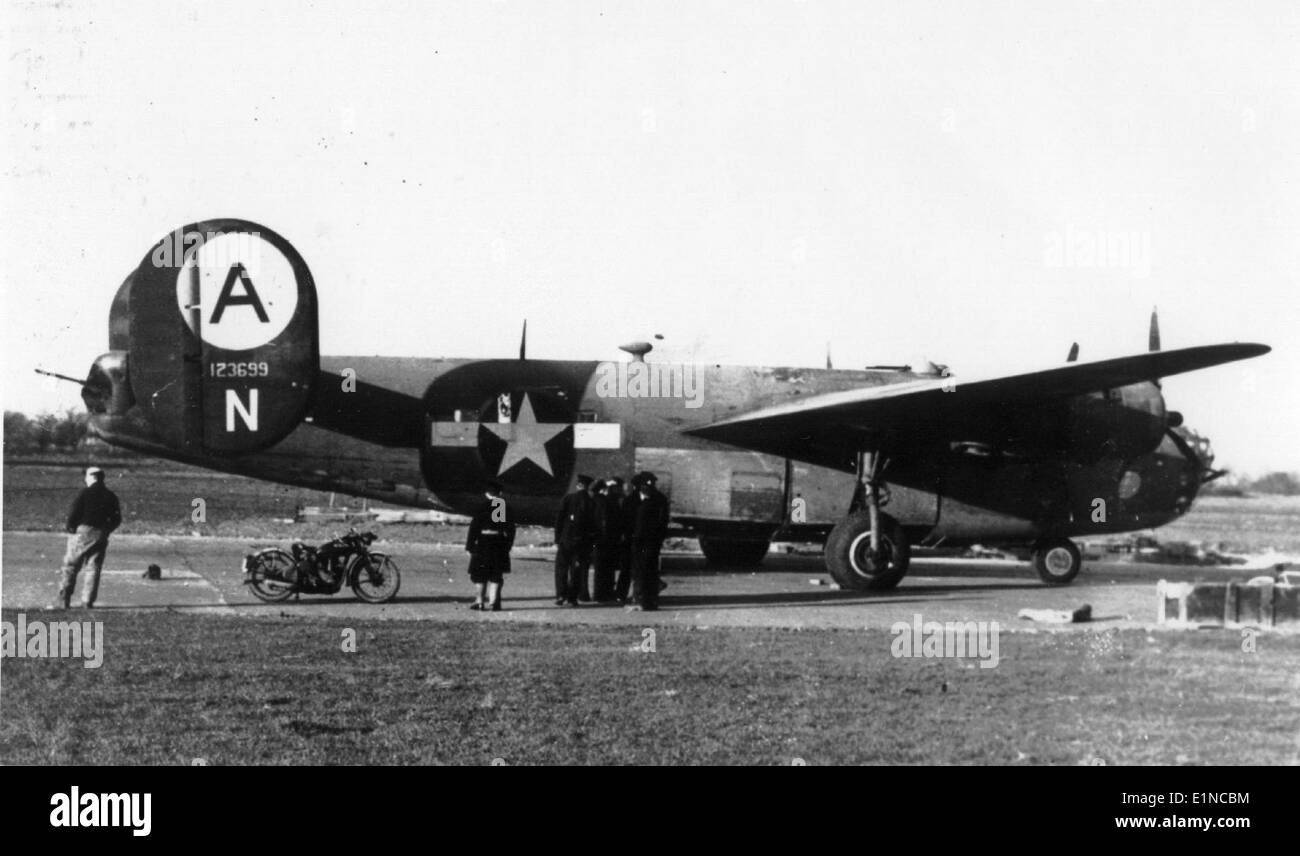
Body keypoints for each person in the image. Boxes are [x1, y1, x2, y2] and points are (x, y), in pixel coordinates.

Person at [52, 466, 122, 610]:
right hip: (101, 534)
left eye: (86, 476)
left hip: (83, 533)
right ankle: (87, 601)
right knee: (93, 568)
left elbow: (74, 513)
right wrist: (107, 530)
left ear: (91, 477)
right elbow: (117, 518)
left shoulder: (85, 493)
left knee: (71, 566)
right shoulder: (111, 495)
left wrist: (71, 528)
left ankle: (63, 600)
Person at [466, 481, 516, 611]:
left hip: (483, 542)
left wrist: (470, 546)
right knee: (496, 573)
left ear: (486, 493)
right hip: (499, 542)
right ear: (500, 493)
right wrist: (508, 544)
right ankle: (494, 602)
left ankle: (480, 601)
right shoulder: (504, 507)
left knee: (480, 574)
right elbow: (511, 529)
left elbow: (474, 528)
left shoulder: (482, 506)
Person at [627, 471, 671, 612]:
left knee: (645, 570)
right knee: (641, 570)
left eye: (651, 484)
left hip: (650, 541)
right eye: (646, 484)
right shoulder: (634, 500)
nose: (649, 487)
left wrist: (658, 538)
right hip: (637, 540)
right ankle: (644, 600)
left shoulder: (658, 500)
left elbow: (663, 521)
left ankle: (644, 601)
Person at [554, 474, 595, 606]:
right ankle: (572, 598)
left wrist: (557, 538)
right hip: (582, 542)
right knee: (577, 570)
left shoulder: (568, 498)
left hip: (566, 540)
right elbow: (593, 524)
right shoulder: (591, 501)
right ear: (587, 486)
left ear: (578, 485)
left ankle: (561, 594)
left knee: (561, 568)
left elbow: (559, 519)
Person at [591, 477, 623, 602]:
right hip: (605, 539)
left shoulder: (608, 501)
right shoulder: (604, 501)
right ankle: (601, 594)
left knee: (607, 568)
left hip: (607, 539)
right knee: (603, 568)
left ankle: (605, 592)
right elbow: (605, 521)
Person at [614, 475, 639, 603]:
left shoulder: (628, 500)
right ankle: (637, 594)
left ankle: (620, 594)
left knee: (625, 569)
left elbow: (622, 521)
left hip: (628, 539)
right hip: (639, 539)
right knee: (639, 568)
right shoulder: (643, 500)